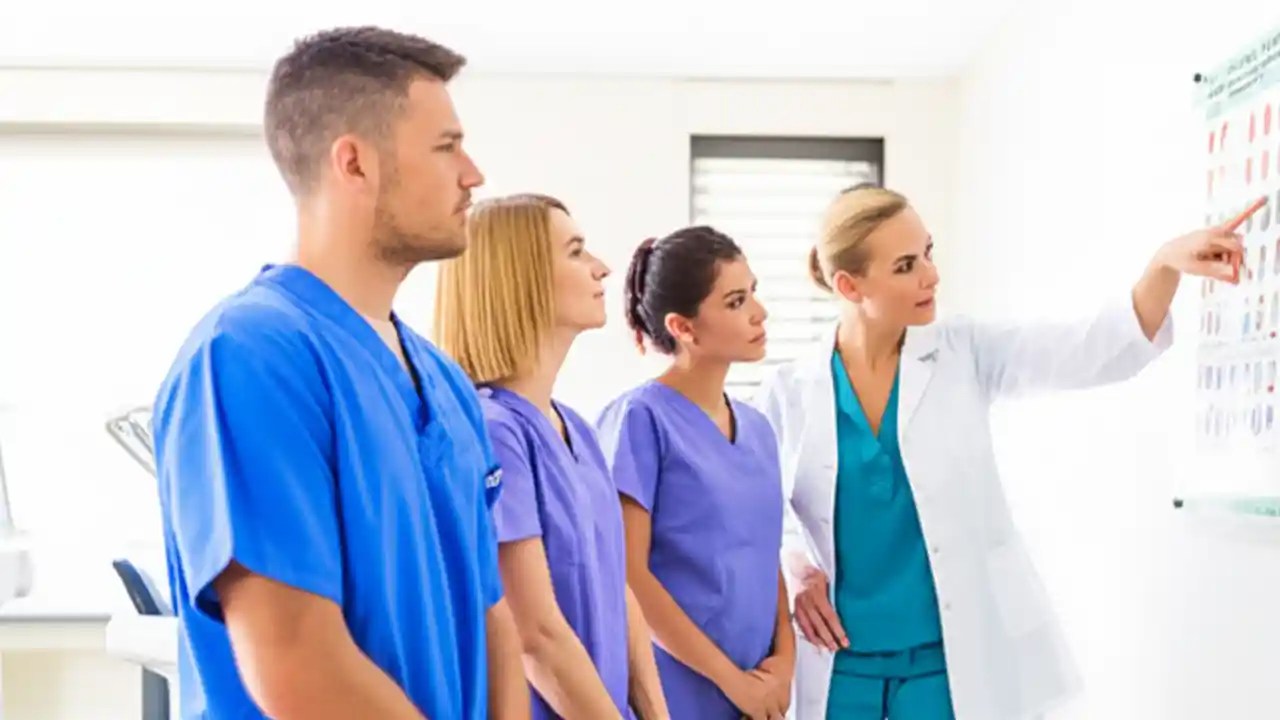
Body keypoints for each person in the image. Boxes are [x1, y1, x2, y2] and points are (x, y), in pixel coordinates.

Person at [753, 184, 1254, 720]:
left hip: (948, 666)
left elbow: (1089, 349)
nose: (931, 275)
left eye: (928, 252)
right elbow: (752, 510)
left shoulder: (963, 353)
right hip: (837, 666)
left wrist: (1163, 267)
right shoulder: (789, 391)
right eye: (905, 265)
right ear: (850, 286)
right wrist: (794, 565)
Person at [150, 27, 528, 720]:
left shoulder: (444, 383)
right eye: (446, 146)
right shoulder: (251, 355)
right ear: (353, 162)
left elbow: (491, 613)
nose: (473, 173)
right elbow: (297, 663)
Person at [434, 193, 669, 720]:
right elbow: (533, 637)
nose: (602, 268)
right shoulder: (491, 432)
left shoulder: (577, 430)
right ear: (522, 276)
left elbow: (617, 590)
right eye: (576, 251)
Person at [596, 227, 796, 720]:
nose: (759, 312)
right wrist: (733, 683)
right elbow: (629, 576)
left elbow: (763, 556)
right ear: (683, 328)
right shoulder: (640, 421)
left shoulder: (758, 428)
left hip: (758, 694)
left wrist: (785, 665)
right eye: (735, 301)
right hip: (675, 694)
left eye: (754, 292)